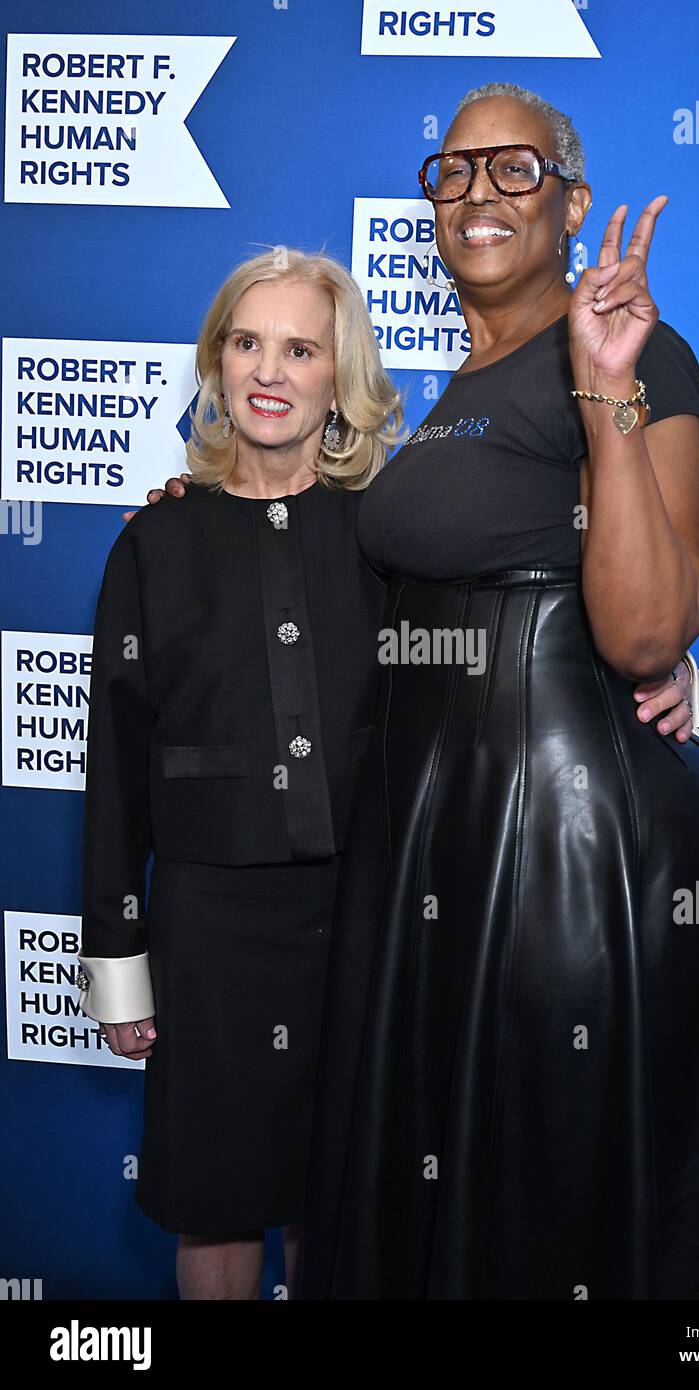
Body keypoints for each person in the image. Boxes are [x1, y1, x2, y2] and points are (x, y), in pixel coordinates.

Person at [295, 84, 699, 1300]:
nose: (478, 193)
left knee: (553, 1198)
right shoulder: (458, 392)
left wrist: (608, 383)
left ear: (572, 203)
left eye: (515, 170)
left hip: (569, 849)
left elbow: (642, 632)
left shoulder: (635, 353)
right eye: (455, 171)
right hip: (451, 842)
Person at [76, 248, 401, 1299]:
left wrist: (659, 654)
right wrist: (119, 959)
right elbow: (116, 770)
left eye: (301, 347)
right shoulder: (155, 543)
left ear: (336, 372)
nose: (271, 369)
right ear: (216, 363)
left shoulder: (392, 541)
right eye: (248, 342)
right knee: (213, 1206)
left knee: (334, 1206)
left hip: (359, 921)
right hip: (208, 933)